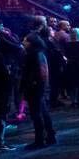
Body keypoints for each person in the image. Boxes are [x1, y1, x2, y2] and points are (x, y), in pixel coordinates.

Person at [21, 17, 56, 150]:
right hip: (39, 86)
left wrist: (31, 85)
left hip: (35, 87)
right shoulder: (38, 53)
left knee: (36, 113)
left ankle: (39, 140)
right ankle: (50, 135)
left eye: (26, 40)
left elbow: (38, 73)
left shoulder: (34, 55)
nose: (23, 42)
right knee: (42, 111)